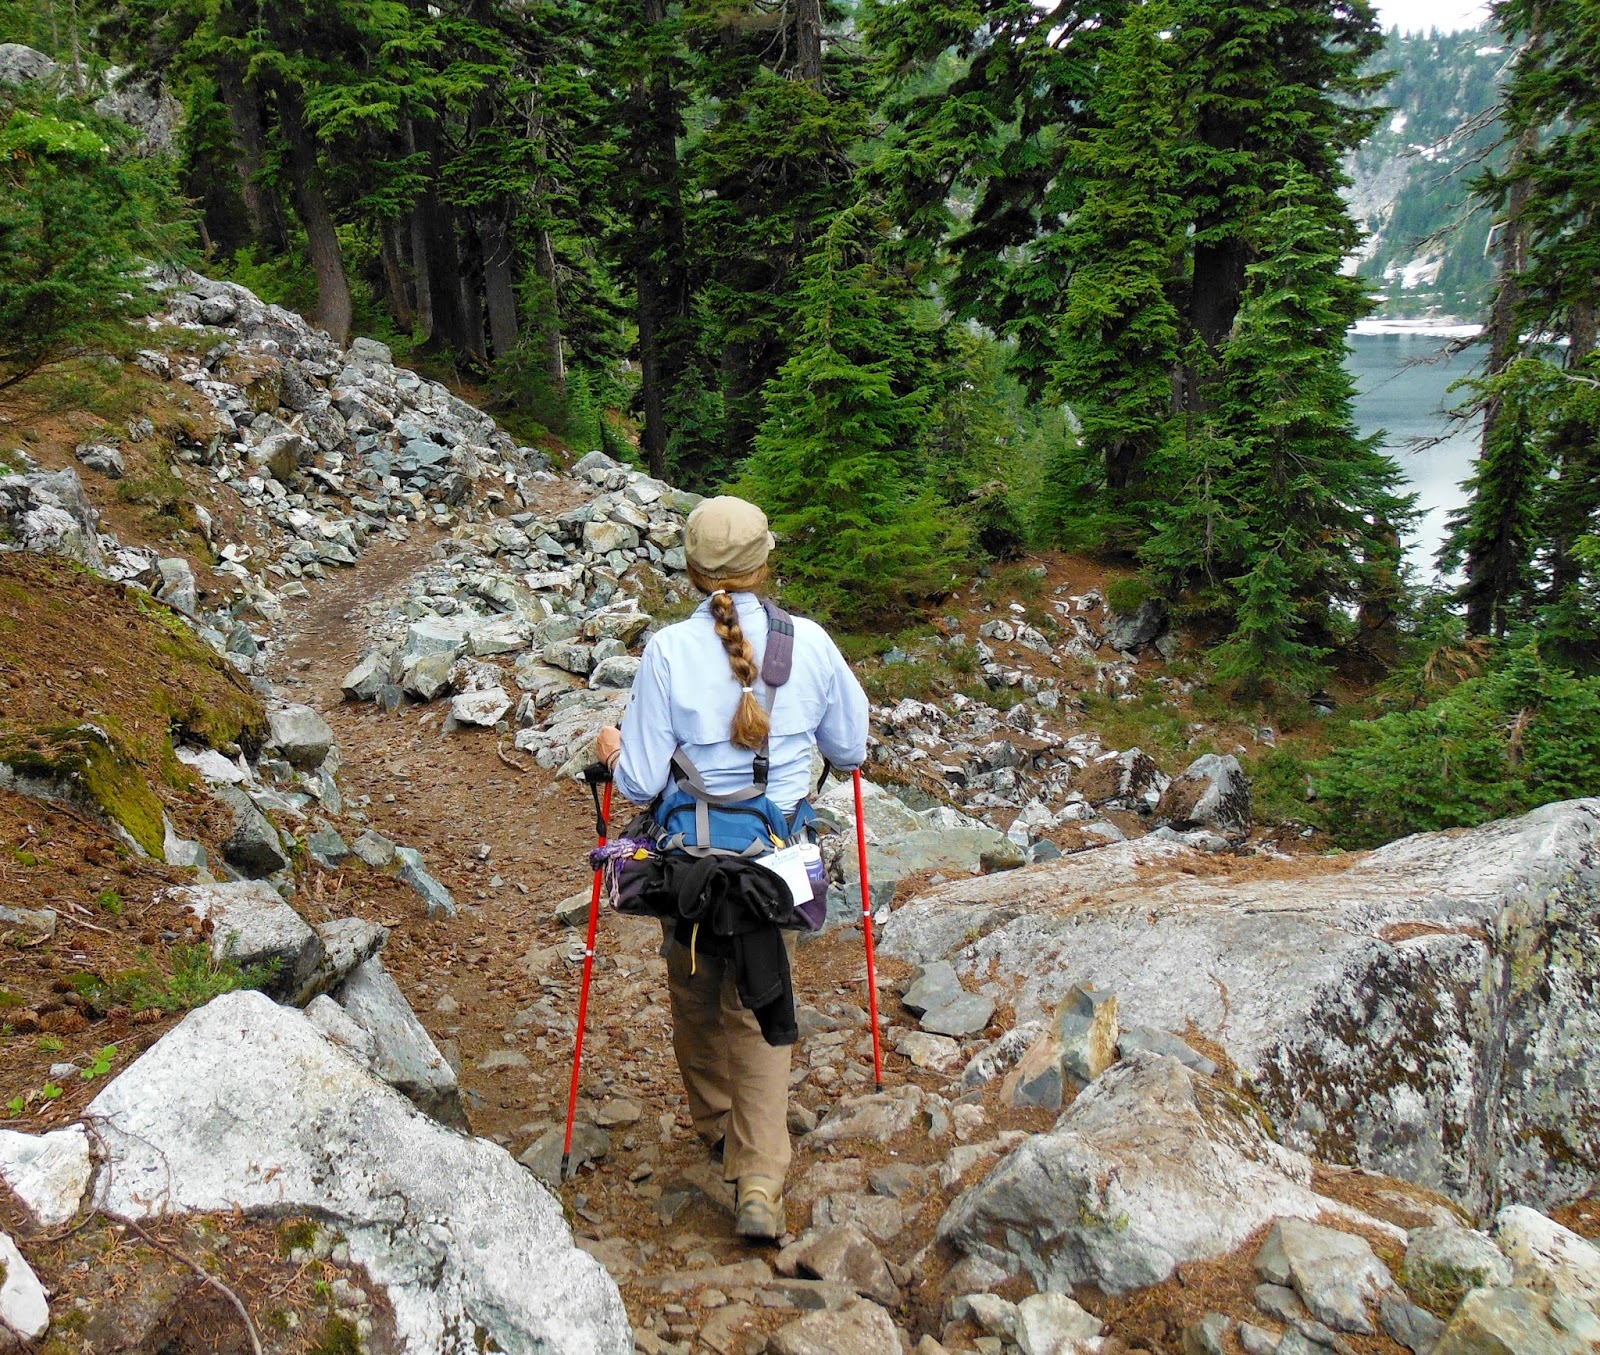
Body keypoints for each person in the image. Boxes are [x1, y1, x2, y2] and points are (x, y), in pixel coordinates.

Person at [595, 495, 868, 1241]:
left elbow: (640, 782)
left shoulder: (667, 651)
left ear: (690, 570)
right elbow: (850, 750)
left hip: (687, 865)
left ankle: (718, 1126)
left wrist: (612, 751)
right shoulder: (811, 644)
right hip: (776, 867)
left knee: (693, 989)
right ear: (764, 562)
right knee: (758, 1000)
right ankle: (759, 1180)